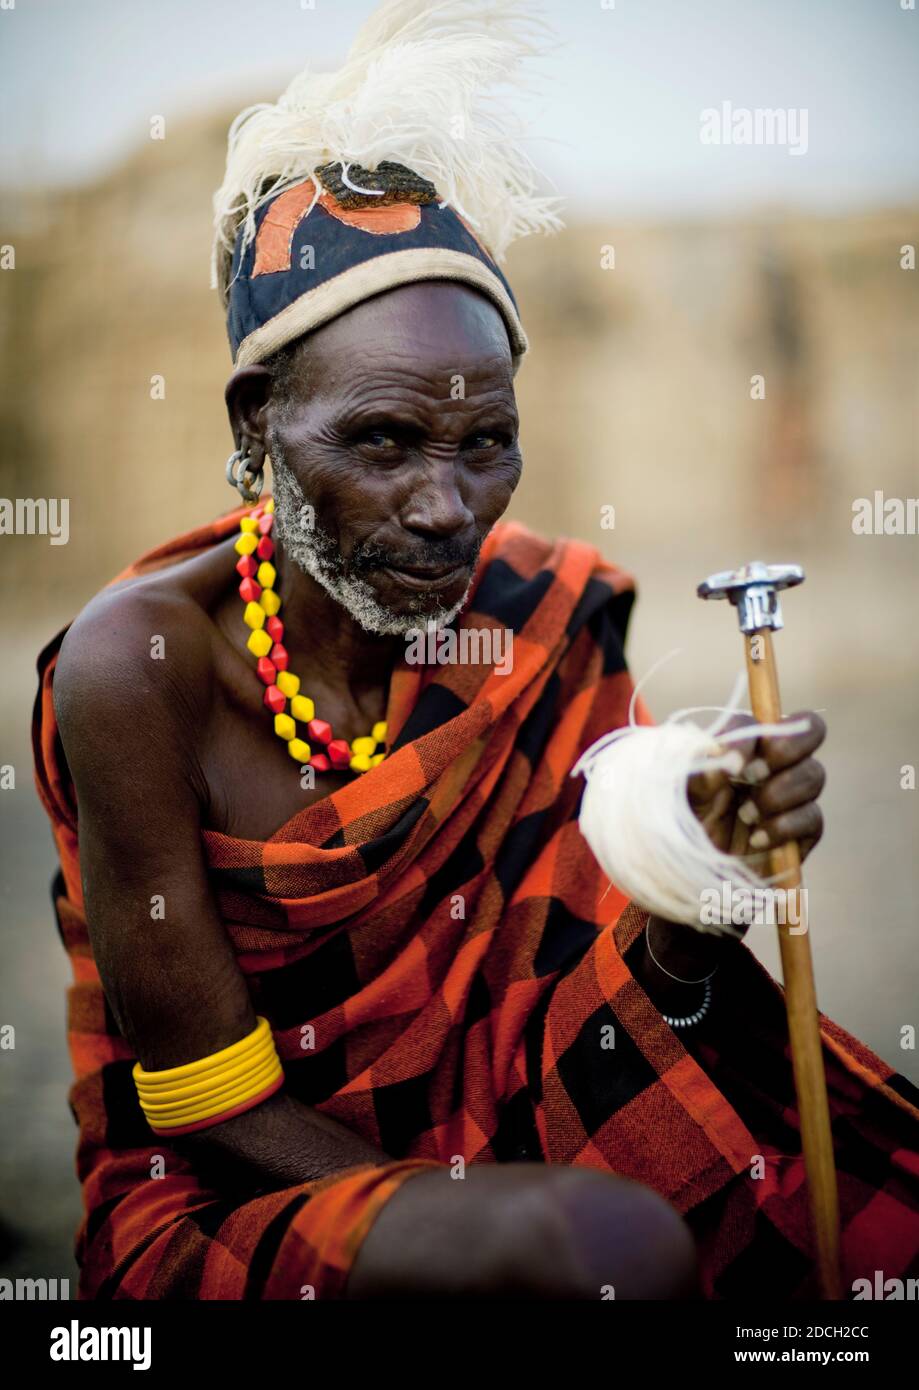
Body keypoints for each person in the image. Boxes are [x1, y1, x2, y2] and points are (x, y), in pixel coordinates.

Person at [32, 1, 919, 1300]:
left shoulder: (543, 616)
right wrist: (505, 1207)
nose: (447, 506)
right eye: (382, 441)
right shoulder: (137, 668)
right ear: (258, 422)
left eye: (485, 442)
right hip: (227, 1190)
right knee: (608, 1247)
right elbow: (207, 1106)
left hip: (521, 1134)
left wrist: (696, 866)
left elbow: (611, 1013)